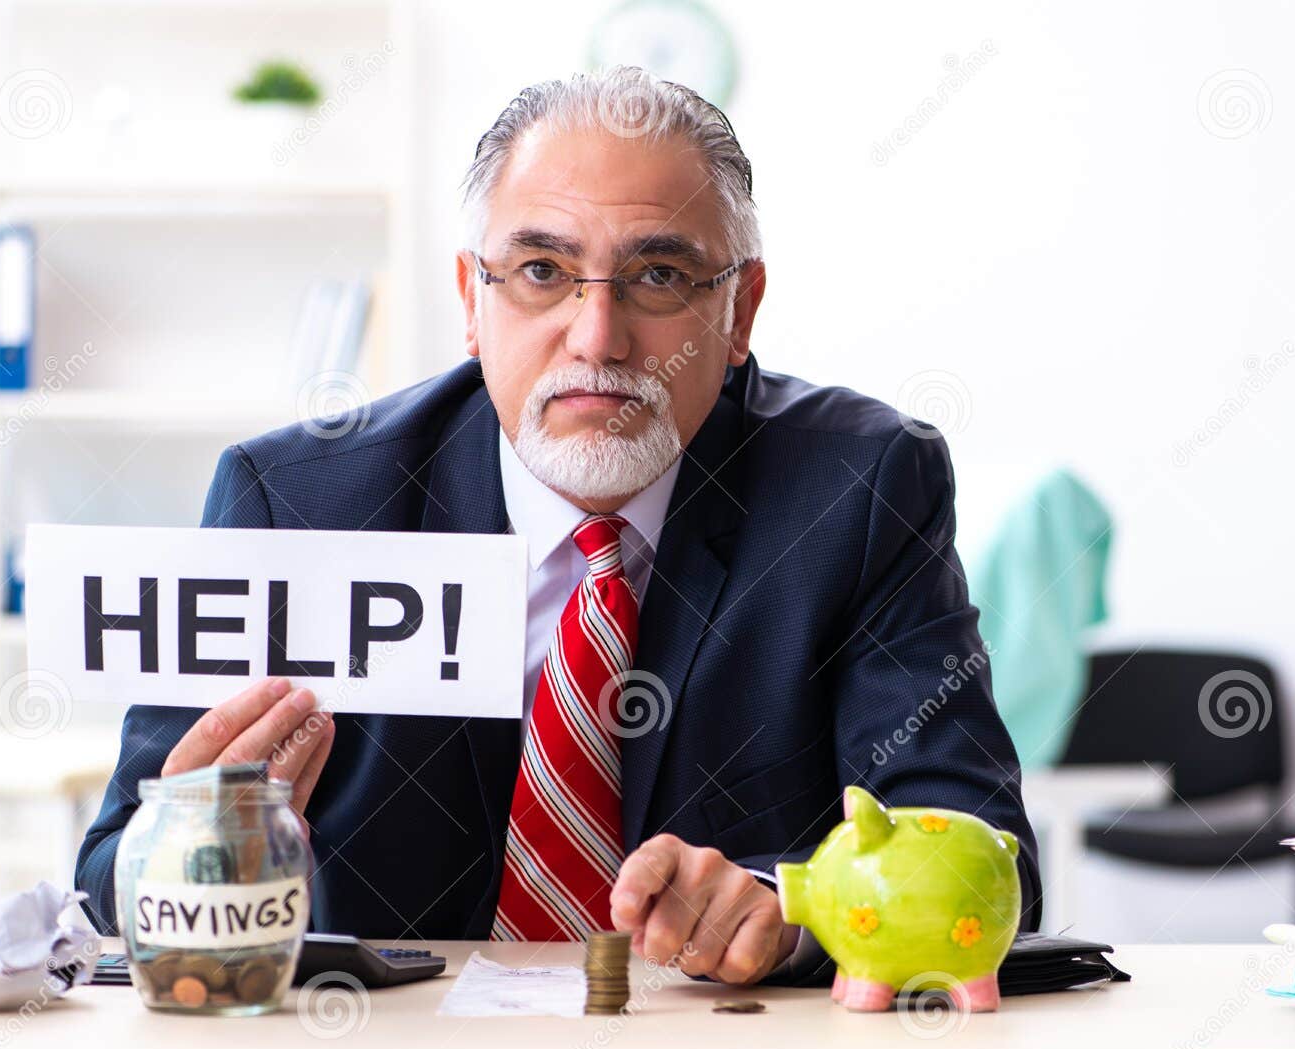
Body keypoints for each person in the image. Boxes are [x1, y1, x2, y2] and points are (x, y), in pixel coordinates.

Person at [76, 66, 1039, 986]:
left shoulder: (861, 487)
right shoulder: (294, 504)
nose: (596, 338)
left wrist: (798, 907)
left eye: (659, 276)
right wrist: (189, 842)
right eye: (542, 270)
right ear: (470, 300)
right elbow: (108, 874)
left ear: (740, 309)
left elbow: (982, 850)